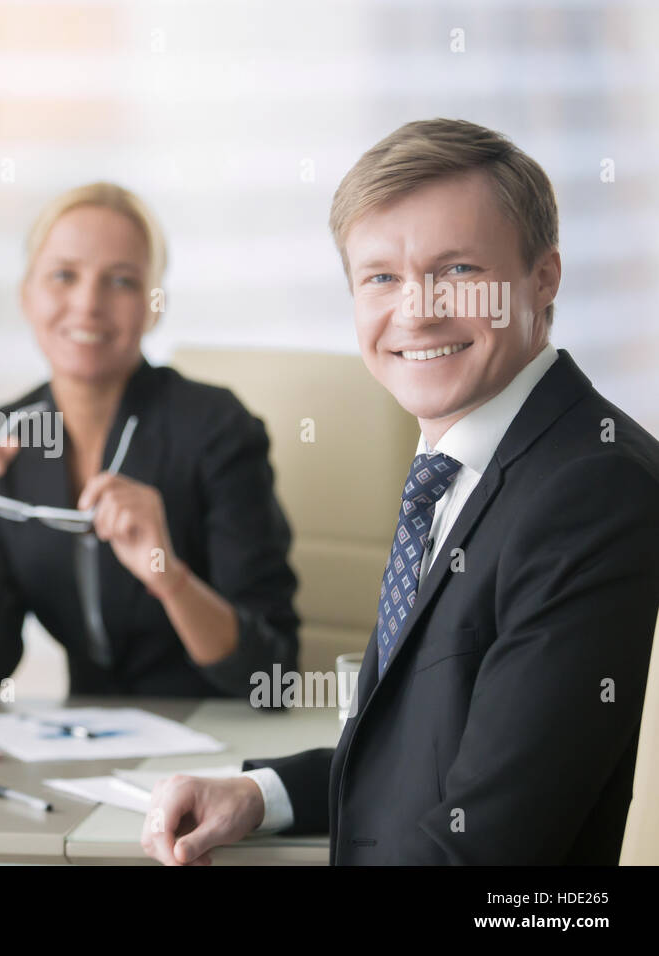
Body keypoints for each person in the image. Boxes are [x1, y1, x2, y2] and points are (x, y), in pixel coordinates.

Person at [142, 118, 659, 865]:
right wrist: (262, 794)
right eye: (381, 277)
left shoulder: (592, 491)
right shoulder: (458, 467)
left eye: (457, 271)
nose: (415, 311)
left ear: (543, 278)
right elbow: (432, 758)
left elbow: (489, 841)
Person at [0, 183, 299, 697]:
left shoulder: (217, 429)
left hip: (213, 736)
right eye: (63, 276)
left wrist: (168, 577)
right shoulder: (0, 441)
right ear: (25, 297)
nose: (88, 304)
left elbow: (270, 677)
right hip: (86, 750)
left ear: (154, 306)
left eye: (121, 281)